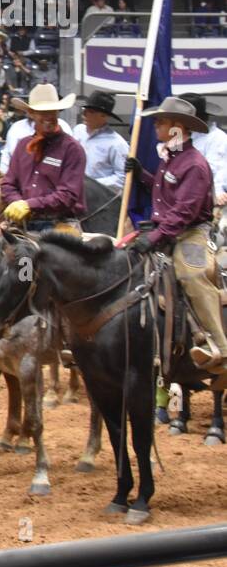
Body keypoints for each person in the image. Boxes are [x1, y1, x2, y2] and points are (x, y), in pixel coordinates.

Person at [122, 97, 226, 373]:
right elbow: (164, 192)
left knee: (192, 274)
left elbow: (183, 212)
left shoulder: (194, 164)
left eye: (161, 121)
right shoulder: (171, 157)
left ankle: (220, 346)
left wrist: (154, 238)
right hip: (165, 231)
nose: (156, 125)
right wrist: (142, 175)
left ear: (178, 127)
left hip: (190, 234)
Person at [0, 84, 87, 233]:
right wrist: (18, 203)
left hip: (61, 222)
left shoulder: (72, 149)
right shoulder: (23, 145)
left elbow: (67, 195)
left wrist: (28, 205)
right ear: (31, 113)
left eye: (52, 111)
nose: (48, 116)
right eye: (42, 112)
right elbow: (8, 184)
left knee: (55, 255)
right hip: (24, 221)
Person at [74, 90, 128, 190]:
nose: (84, 113)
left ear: (104, 116)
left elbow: (122, 178)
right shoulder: (78, 131)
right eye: (84, 109)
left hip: (99, 200)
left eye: (91, 111)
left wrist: (90, 184)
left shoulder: (117, 144)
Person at [183, 94, 227, 207]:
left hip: (203, 200)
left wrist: (217, 191)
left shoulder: (217, 138)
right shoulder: (179, 136)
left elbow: (217, 168)